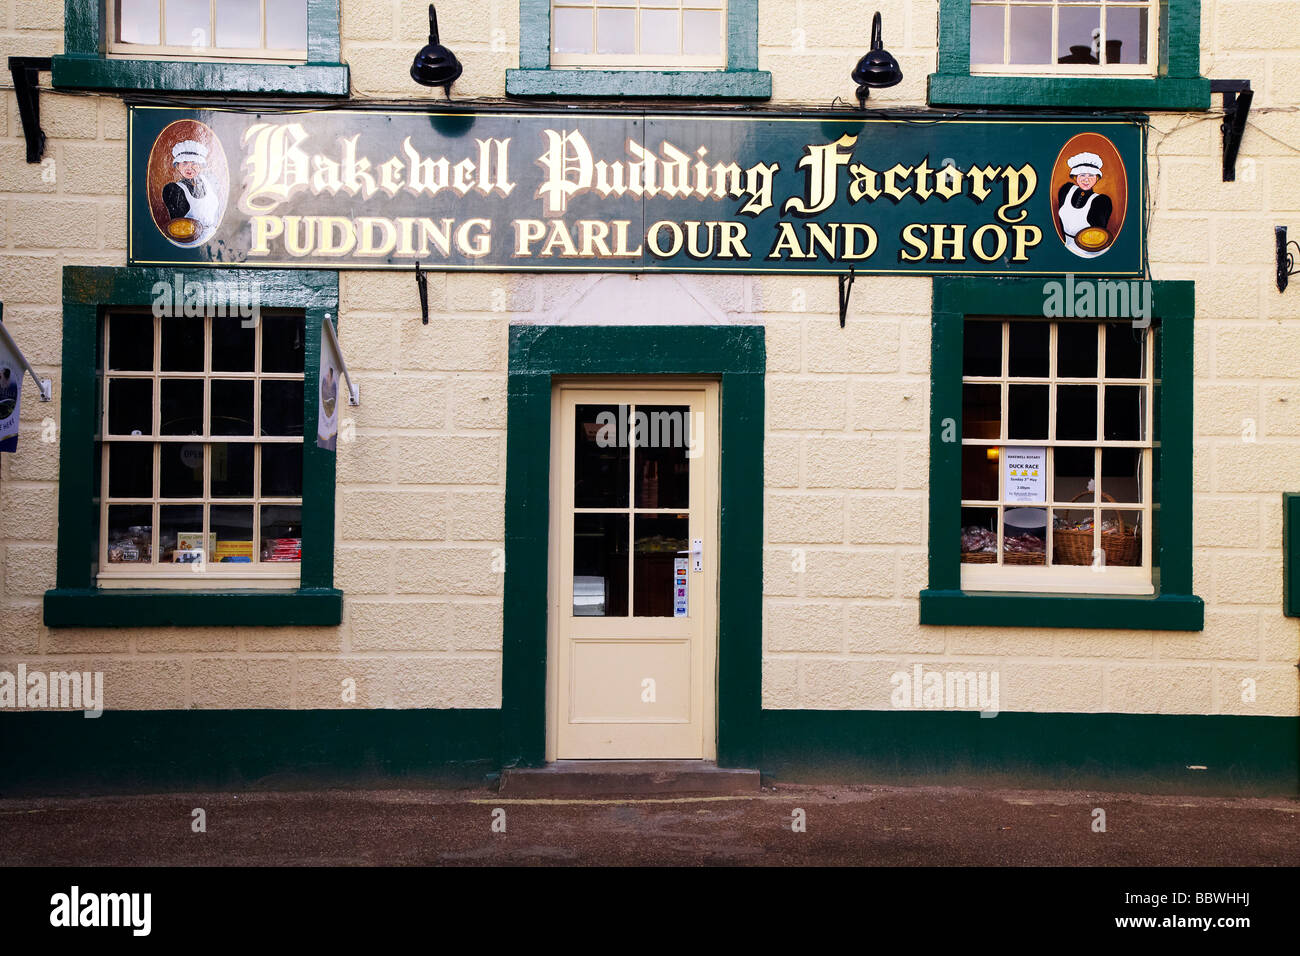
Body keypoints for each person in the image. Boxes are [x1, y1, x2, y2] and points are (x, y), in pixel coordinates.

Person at [1057, 151, 1113, 259]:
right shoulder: (1066, 190)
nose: (1086, 179)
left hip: (1090, 255)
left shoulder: (1101, 201)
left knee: (1077, 275)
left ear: (1097, 177)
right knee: (1069, 276)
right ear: (1075, 176)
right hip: (1067, 248)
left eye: (1091, 175)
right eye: (1082, 175)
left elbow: (1100, 235)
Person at [162, 140, 219, 239]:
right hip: (189, 241)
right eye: (184, 163)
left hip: (213, 237)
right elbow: (178, 225)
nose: (189, 168)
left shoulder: (209, 181)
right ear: (178, 166)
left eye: (194, 163)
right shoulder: (174, 190)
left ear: (201, 165)